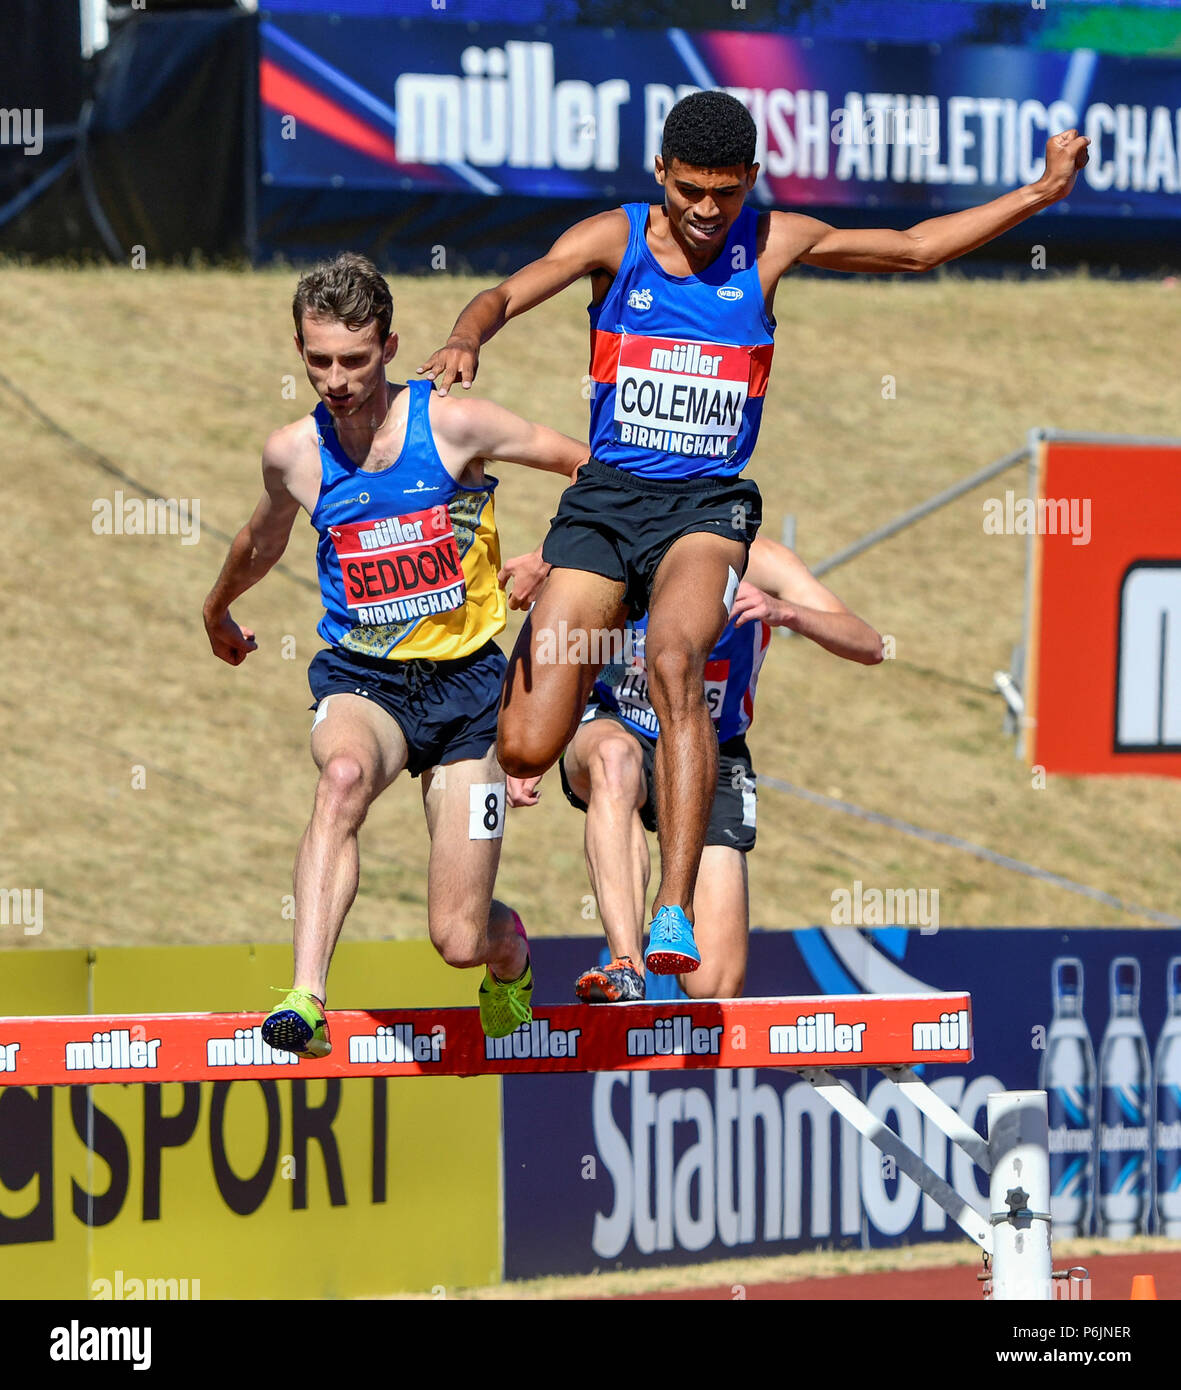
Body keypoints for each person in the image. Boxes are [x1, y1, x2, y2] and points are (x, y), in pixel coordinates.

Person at [418, 88, 1089, 980]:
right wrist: (466, 337)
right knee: (527, 745)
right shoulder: (613, 242)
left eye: (724, 193)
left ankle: (670, 912)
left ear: (752, 182)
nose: (704, 211)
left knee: (674, 659)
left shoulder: (773, 242)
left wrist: (1039, 194)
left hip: (706, 508)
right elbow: (506, 291)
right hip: (608, 499)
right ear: (660, 173)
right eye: (689, 189)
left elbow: (915, 248)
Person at [202, 252, 587, 1056]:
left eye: (354, 359)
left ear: (389, 345)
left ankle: (510, 955)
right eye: (317, 361)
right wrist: (217, 607)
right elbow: (261, 537)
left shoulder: (454, 426)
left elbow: (591, 468)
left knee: (456, 935)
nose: (335, 380)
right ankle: (305, 998)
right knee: (340, 779)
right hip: (364, 682)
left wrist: (551, 557)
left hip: (472, 693)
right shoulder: (294, 453)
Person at [502, 536, 882, 1000]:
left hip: (711, 752)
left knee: (714, 987)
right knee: (613, 760)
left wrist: (784, 611)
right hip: (617, 728)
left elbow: (870, 644)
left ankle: (674, 934)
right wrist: (535, 743)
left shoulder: (758, 561)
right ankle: (626, 964)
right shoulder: (620, 541)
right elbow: (560, 640)